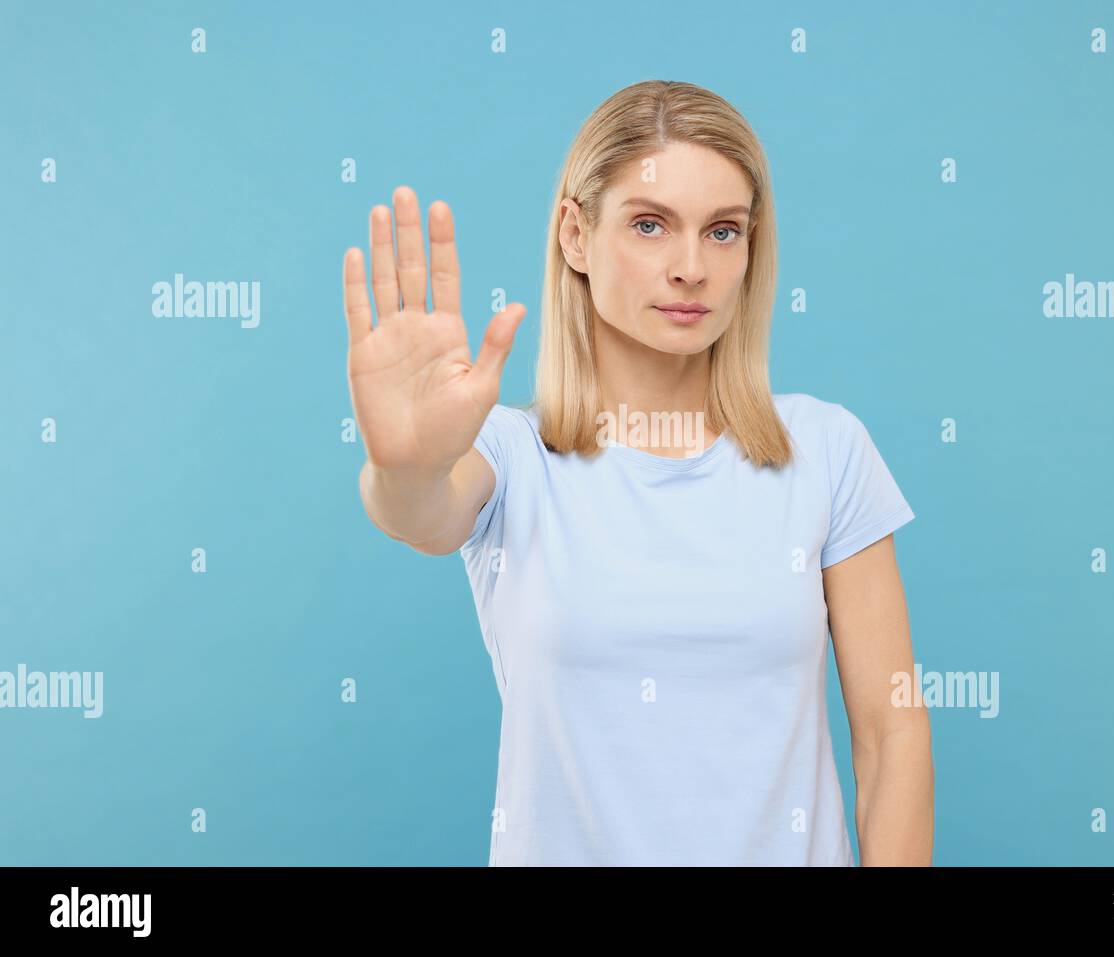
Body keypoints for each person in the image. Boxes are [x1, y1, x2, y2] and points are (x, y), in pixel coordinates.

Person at [342, 79, 934, 866]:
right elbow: (418, 510)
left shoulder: (825, 448)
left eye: (723, 232)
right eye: (651, 225)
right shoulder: (515, 455)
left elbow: (893, 733)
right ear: (576, 237)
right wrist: (405, 463)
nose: (691, 267)